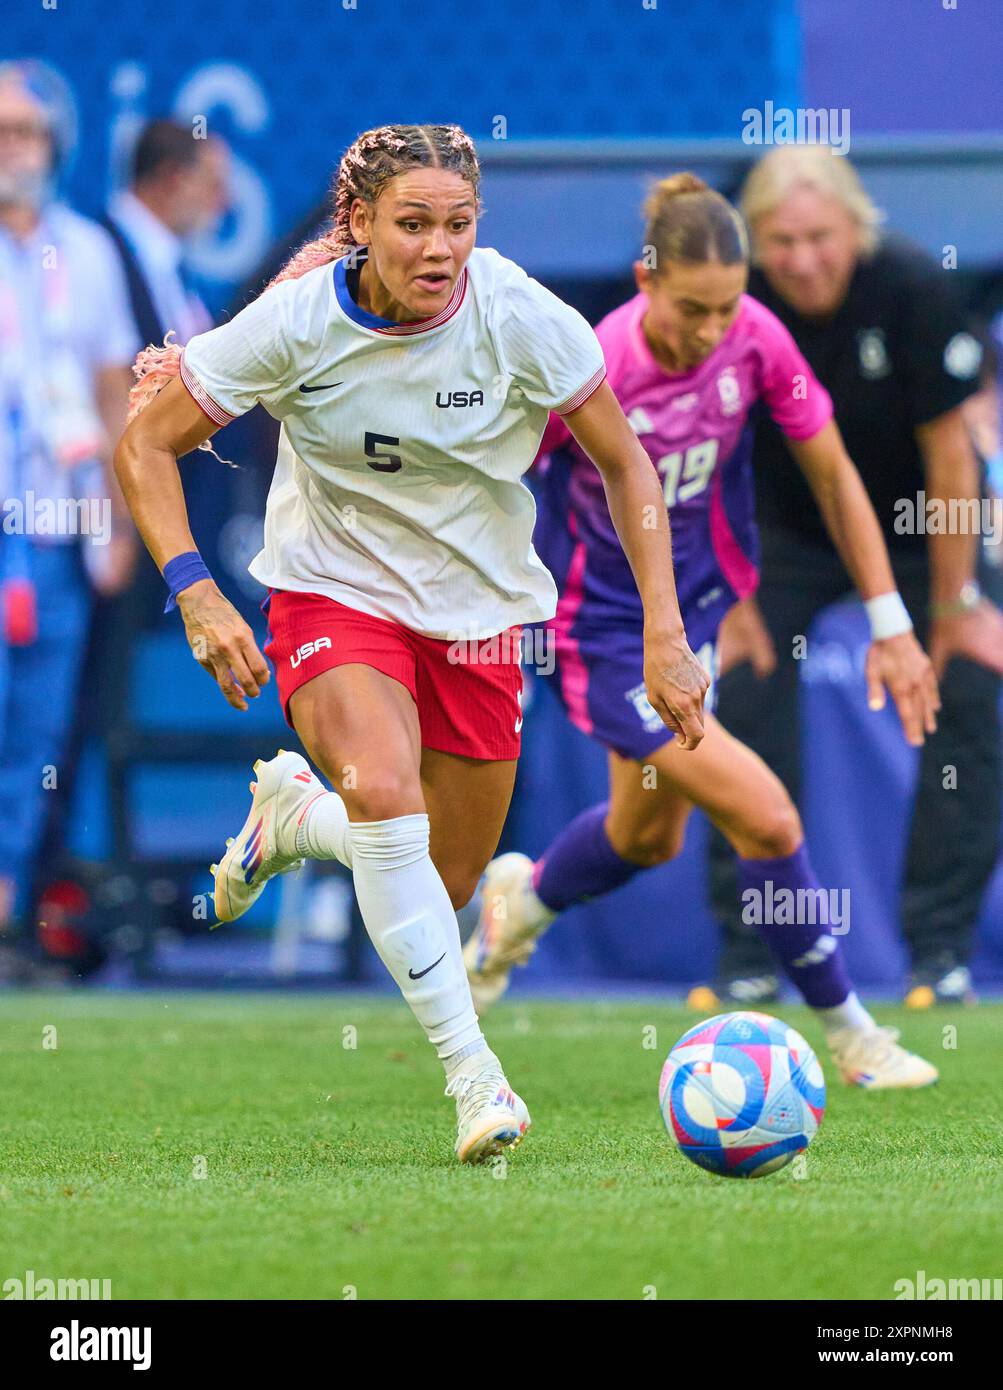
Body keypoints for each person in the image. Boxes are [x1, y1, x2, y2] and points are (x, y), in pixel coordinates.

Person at [114, 123, 711, 1164]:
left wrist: (664, 627)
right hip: (331, 593)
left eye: (459, 225)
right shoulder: (295, 322)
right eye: (412, 225)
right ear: (356, 224)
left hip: (479, 619)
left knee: (444, 883)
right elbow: (144, 442)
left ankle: (294, 819)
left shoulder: (519, 314)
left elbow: (627, 467)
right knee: (385, 793)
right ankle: (474, 1078)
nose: (439, 250)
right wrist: (198, 594)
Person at [463, 173, 940, 1089]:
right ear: (646, 280)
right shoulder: (593, 365)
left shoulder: (756, 339)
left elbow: (836, 479)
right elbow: (495, 477)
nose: (712, 330)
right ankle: (851, 1034)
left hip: (699, 618)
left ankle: (523, 900)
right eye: (692, 308)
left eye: (728, 307)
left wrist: (889, 621)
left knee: (647, 839)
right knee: (764, 814)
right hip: (605, 635)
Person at [707, 147, 1003, 1008]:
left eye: (819, 237)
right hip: (786, 535)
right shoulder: (732, 304)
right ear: (753, 243)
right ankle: (749, 956)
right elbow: (707, 450)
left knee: (972, 686)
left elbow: (952, 459)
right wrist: (730, 595)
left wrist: (954, 604)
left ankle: (937, 952)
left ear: (854, 228)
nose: (802, 259)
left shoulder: (912, 289)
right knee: (744, 696)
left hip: (920, 534)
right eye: (780, 241)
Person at [0, 62, 138, 961]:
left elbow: (114, 389)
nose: (17, 150)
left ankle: (11, 908)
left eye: (29, 134)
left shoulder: (85, 249)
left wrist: (121, 520)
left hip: (57, 527)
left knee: (40, 732)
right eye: (3, 133)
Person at [104, 118, 228, 349]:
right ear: (174, 179)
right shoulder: (96, 253)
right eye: (214, 185)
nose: (225, 202)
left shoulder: (173, 266)